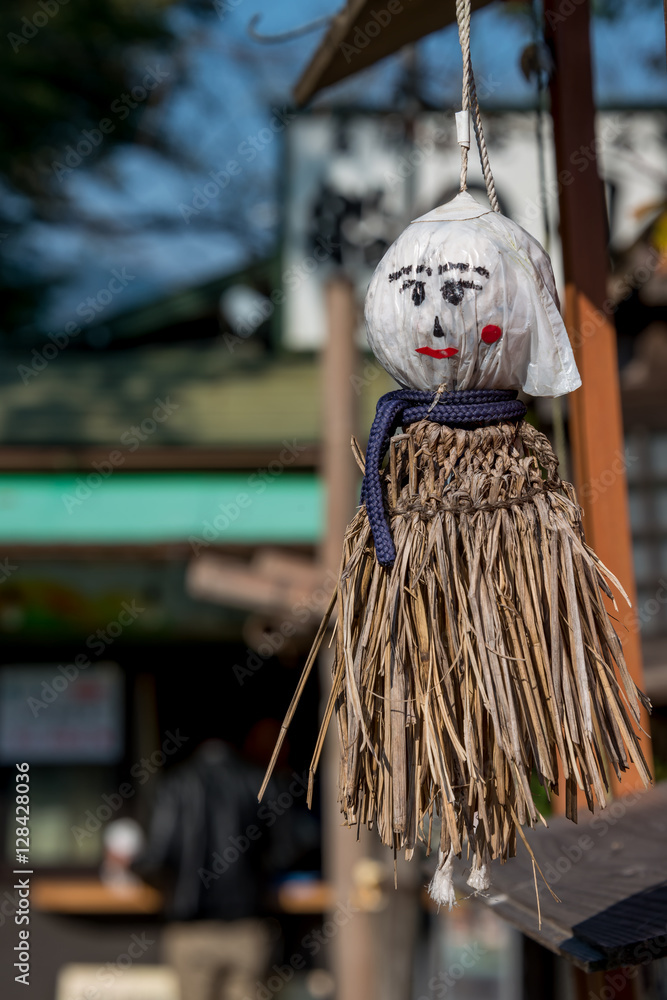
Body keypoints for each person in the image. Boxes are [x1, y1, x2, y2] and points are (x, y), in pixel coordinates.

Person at [133, 738, 278, 1000]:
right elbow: (285, 851)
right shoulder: (259, 781)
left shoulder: (175, 783)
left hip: (192, 932)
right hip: (247, 928)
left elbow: (154, 859)